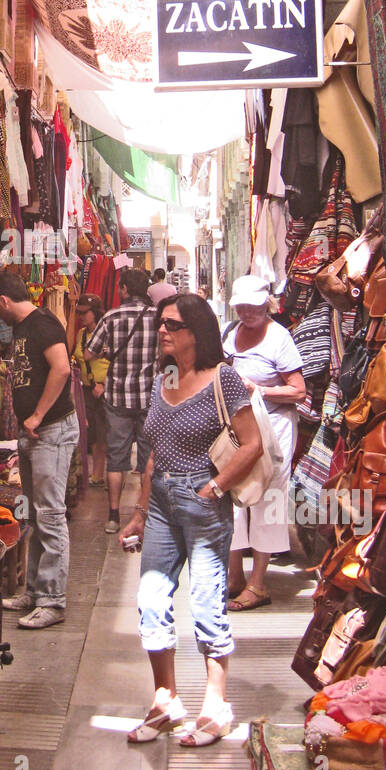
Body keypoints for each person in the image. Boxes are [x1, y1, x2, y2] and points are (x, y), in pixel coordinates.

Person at [118, 294, 263, 746]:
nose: (162, 330)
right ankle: (166, 699)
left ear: (195, 332)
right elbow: (152, 450)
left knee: (206, 601)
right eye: (161, 323)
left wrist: (215, 488)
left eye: (172, 325)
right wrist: (140, 511)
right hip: (161, 497)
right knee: (152, 598)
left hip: (203, 498)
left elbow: (251, 443)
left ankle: (216, 704)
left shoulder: (224, 379)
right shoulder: (163, 377)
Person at [0, 271, 79, 629]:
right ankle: (36, 591)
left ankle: (53, 600)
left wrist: (38, 415)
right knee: (38, 515)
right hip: (36, 433)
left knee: (50, 514)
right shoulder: (26, 327)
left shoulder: (42, 323)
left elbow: (61, 368)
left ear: (4, 301)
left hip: (50, 431)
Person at [221, 274, 306, 611]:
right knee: (234, 497)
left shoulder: (279, 338)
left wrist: (260, 390)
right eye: (241, 305)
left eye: (253, 305)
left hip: (274, 428)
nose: (246, 311)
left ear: (266, 304)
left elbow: (298, 391)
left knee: (267, 500)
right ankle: (234, 577)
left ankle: (258, 583)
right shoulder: (229, 332)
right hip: (239, 429)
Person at [84, 268, 158, 534]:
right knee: (148, 460)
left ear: (125, 289)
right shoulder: (156, 316)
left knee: (117, 458)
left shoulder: (111, 316)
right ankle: (144, 513)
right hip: (149, 398)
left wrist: (108, 350)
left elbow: (88, 353)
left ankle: (113, 516)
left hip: (117, 397)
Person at [72, 294, 109, 486]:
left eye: (84, 313)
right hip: (86, 389)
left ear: (95, 312)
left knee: (103, 433)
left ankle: (99, 474)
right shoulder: (82, 334)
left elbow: (117, 362)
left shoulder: (107, 332)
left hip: (104, 388)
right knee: (91, 432)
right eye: (79, 313)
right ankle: (95, 473)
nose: (81, 317)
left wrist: (105, 385)